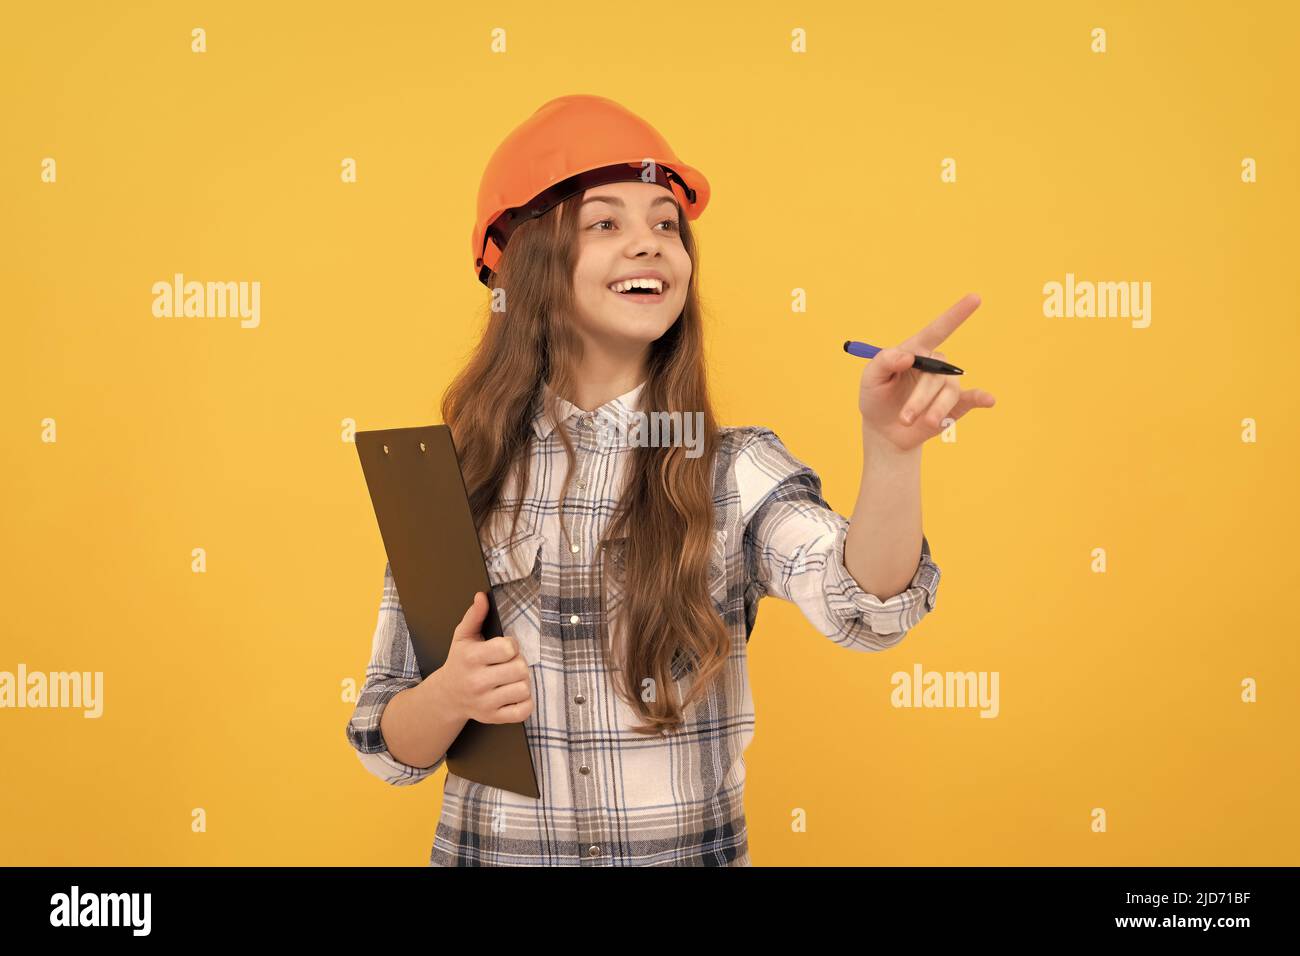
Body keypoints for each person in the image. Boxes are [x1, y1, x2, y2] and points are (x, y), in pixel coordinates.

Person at [345, 94, 996, 866]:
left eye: (665, 224)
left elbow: (867, 612)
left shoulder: (732, 469)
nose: (651, 245)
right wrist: (451, 696)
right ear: (527, 264)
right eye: (606, 223)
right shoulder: (453, 477)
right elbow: (386, 743)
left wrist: (891, 455)